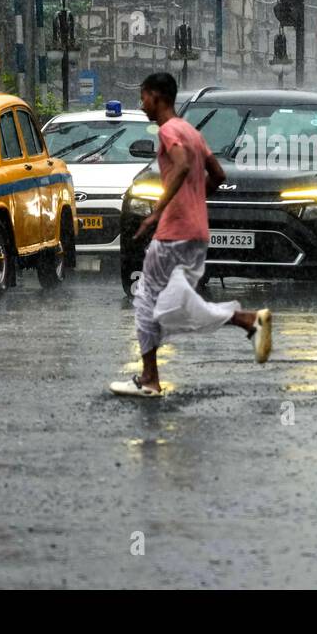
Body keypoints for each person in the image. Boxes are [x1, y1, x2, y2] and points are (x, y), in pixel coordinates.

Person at [111, 72, 272, 398]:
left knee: (145, 301)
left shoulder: (169, 130)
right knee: (173, 303)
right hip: (196, 233)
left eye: (143, 98)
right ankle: (246, 321)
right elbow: (218, 173)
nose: (142, 105)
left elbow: (183, 165)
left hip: (174, 233)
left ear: (157, 97)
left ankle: (151, 380)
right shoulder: (192, 132)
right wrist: (194, 200)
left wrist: (159, 209)